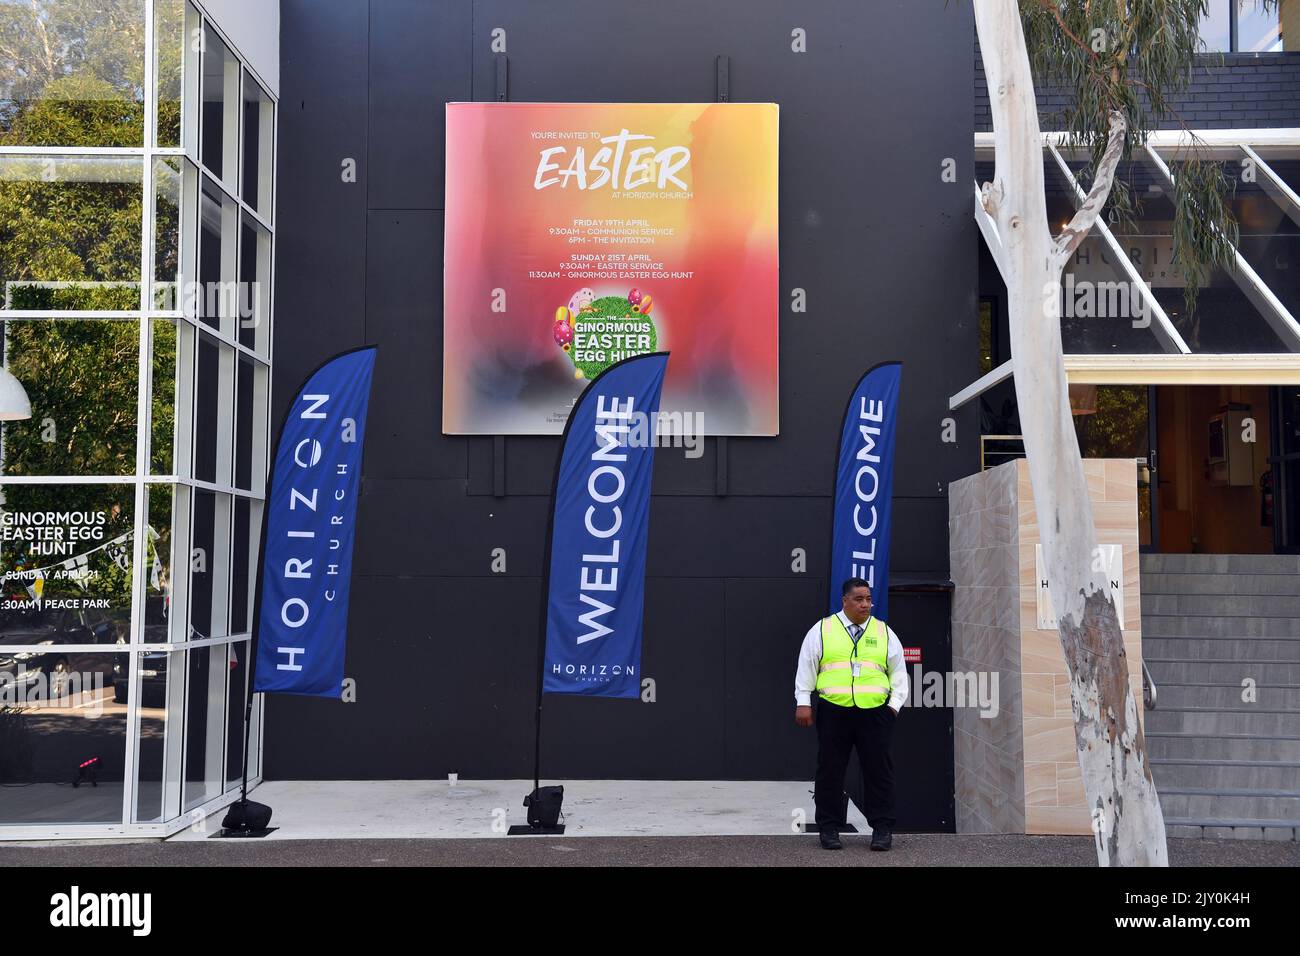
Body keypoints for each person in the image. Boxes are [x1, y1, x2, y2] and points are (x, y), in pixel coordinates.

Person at [794, 578, 909, 851]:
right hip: (835, 711)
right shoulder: (823, 629)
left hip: (875, 714)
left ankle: (882, 829)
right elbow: (807, 664)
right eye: (859, 599)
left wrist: (893, 706)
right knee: (830, 771)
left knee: (879, 772)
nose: (866, 604)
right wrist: (803, 701)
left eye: (869, 599)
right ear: (844, 600)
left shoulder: (883, 632)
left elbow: (899, 672)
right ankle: (829, 829)